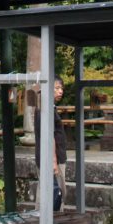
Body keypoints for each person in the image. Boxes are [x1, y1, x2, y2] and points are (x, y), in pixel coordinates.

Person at [33, 77, 66, 211]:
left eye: (61, 88)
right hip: (51, 158)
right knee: (54, 191)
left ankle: (41, 222)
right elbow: (50, 136)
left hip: (48, 157)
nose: (61, 91)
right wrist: (54, 161)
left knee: (47, 189)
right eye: (57, 88)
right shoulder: (45, 109)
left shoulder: (47, 107)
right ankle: (49, 223)